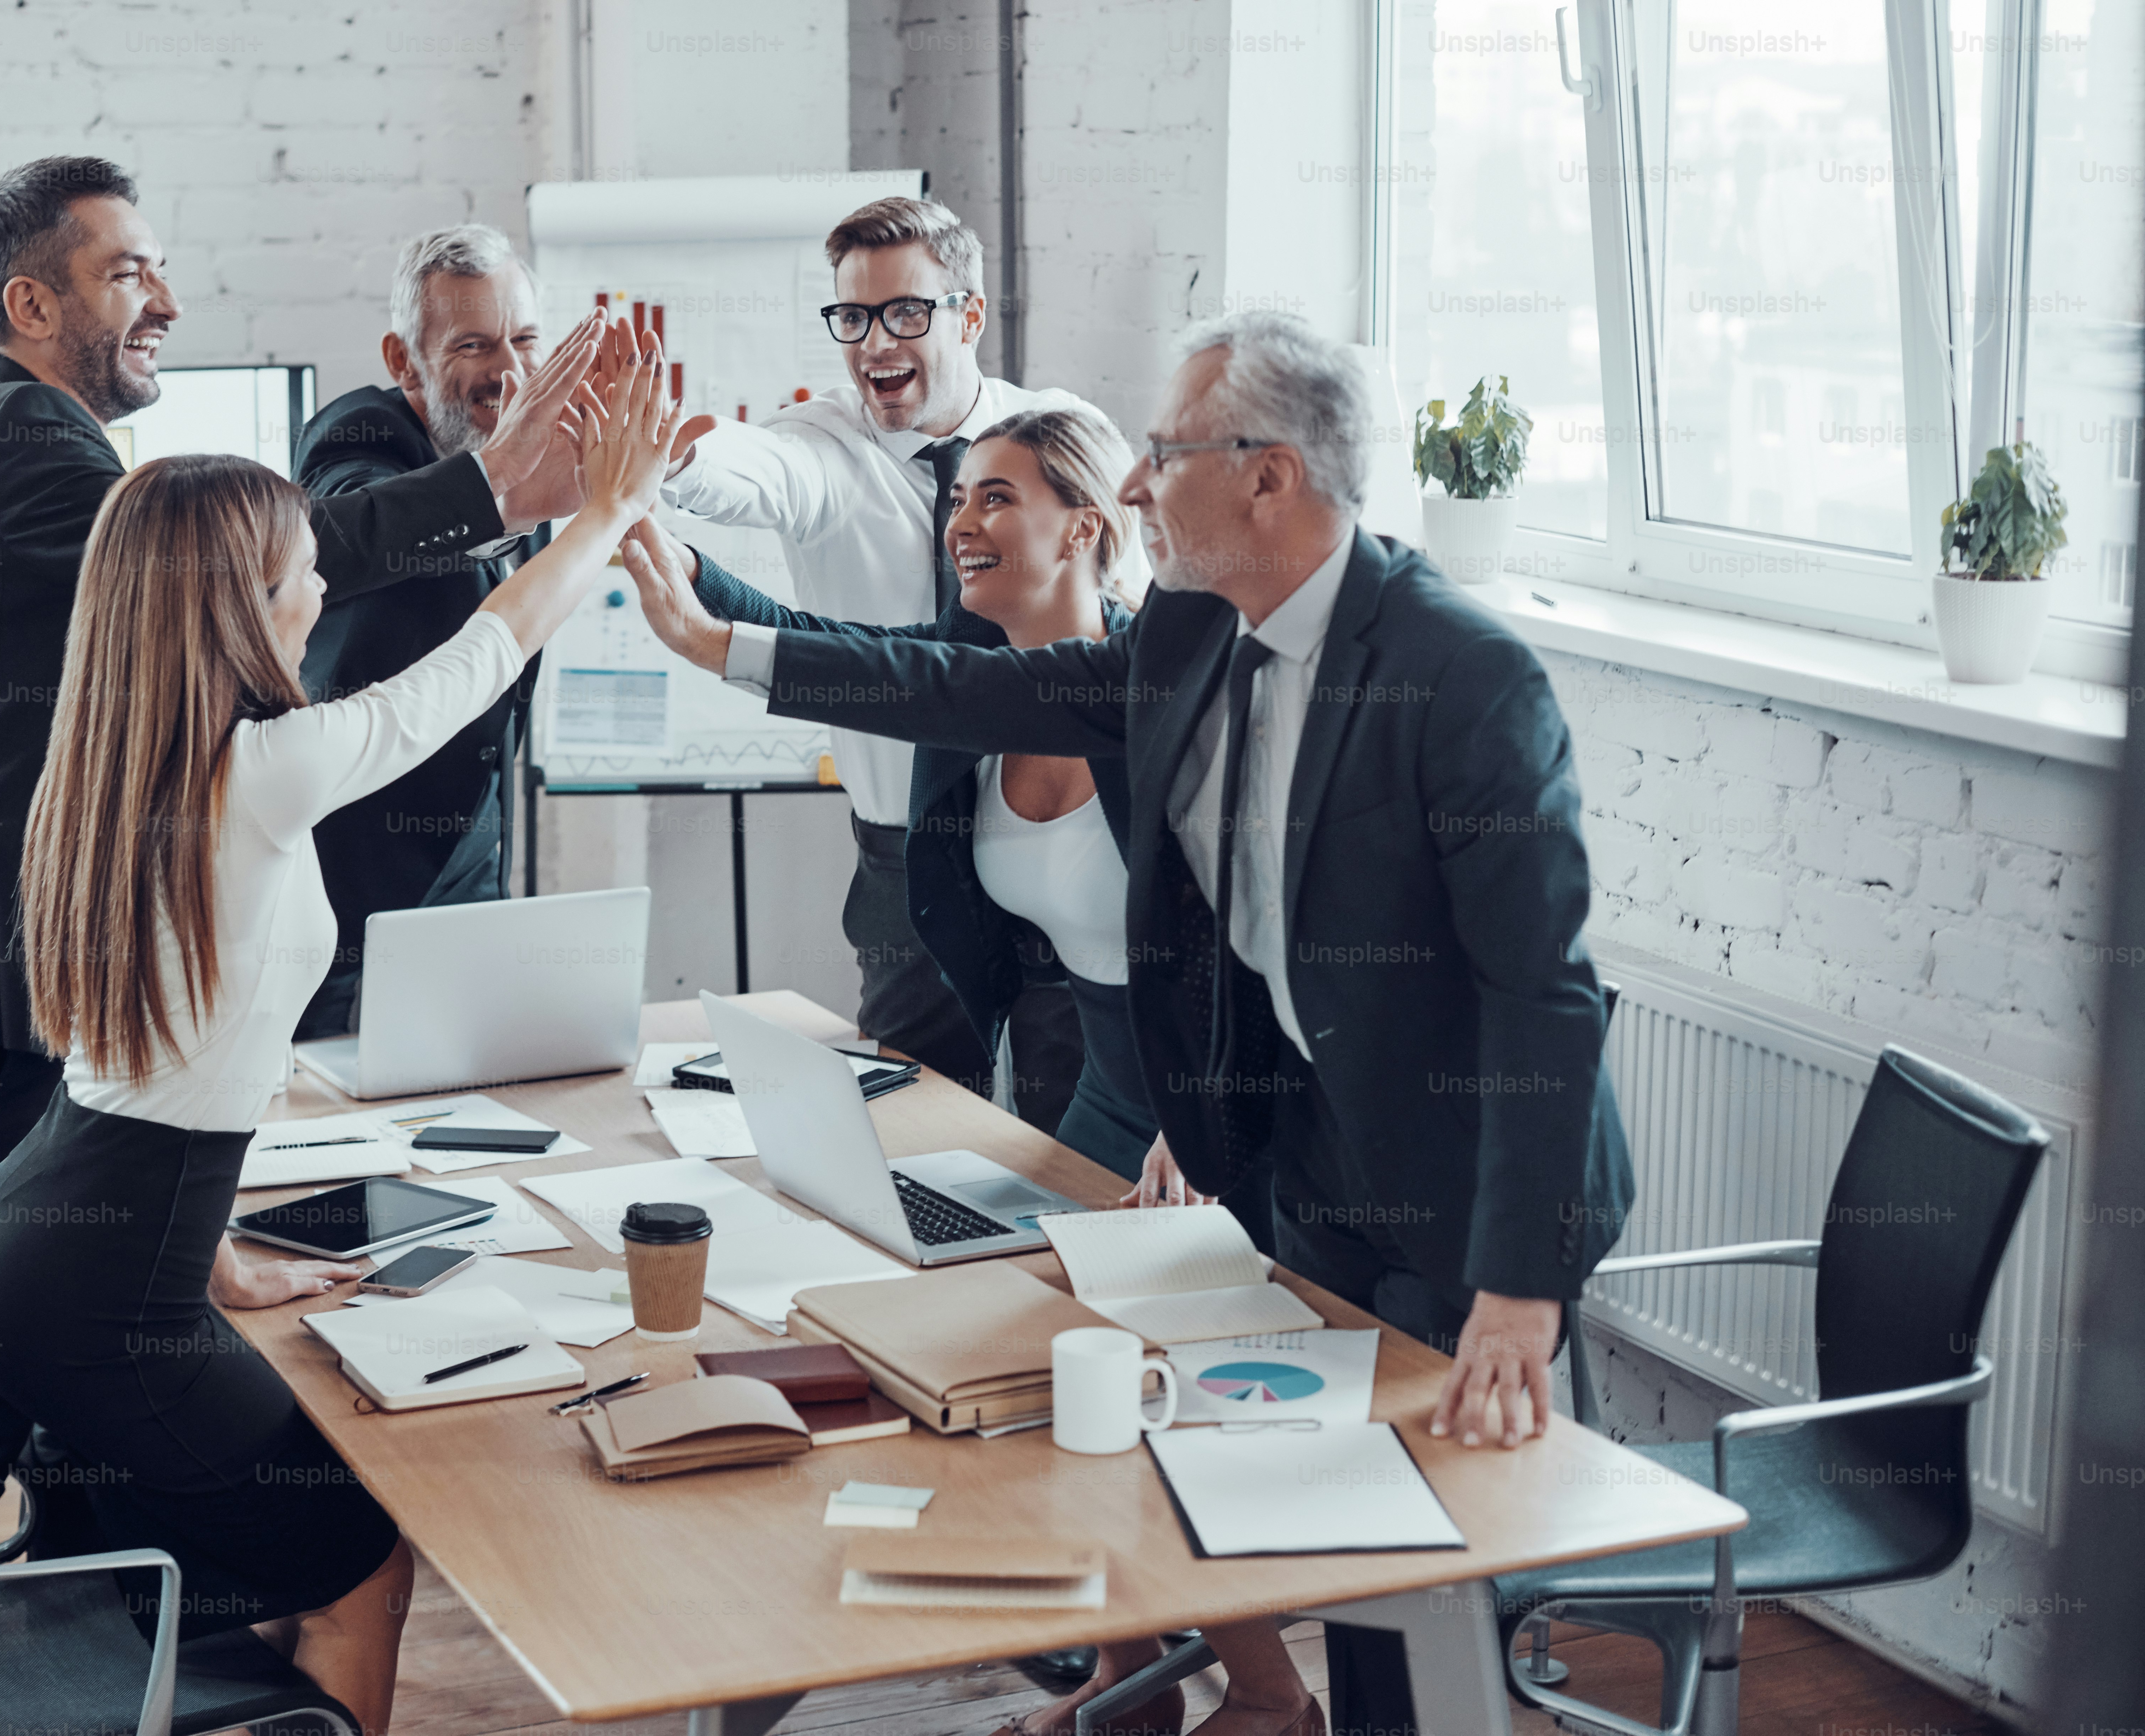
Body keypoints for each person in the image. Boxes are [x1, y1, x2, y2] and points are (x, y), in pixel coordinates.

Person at [626, 309, 1632, 1734]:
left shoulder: (1461, 675)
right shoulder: (1186, 629)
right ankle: (1248, 1695)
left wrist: (1518, 1284)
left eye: (1164, 453)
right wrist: (722, 642)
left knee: (1410, 1562)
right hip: (1311, 1156)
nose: (1141, 484)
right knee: (1271, 1482)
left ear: (1269, 476)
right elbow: (971, 686)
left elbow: (1545, 993)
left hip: (1473, 1182)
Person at [0, 154, 602, 1573]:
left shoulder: (19, 440)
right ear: (29, 302)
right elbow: (241, 564)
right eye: (128, 273)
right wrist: (494, 485)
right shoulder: (28, 448)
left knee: (37, 1399)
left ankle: (97, 1637)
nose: (165, 298)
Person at [0, 347, 680, 1733]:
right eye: (299, 570)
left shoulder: (114, 764)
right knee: (354, 1554)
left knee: (270, 1540)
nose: (323, 589)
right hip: (100, 1289)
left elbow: (145, 1070)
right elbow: (480, 659)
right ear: (237, 603)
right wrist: (599, 515)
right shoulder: (261, 776)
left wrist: (218, 1255)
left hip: (30, 1244)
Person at [656, 195, 1142, 1099]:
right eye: (851, 317)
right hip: (909, 847)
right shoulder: (821, 442)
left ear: (970, 314)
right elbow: (749, 470)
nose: (874, 343)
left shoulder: (1052, 438)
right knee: (910, 1118)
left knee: (1074, 1112)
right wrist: (671, 457)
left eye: (904, 313)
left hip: (1069, 835)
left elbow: (1131, 599)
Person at [626, 406, 1157, 1173]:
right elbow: (856, 657)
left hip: (1200, 1096)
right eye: (959, 499)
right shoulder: (971, 656)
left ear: (1083, 529)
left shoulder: (1150, 685)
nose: (961, 526)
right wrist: (687, 570)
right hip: (1107, 1088)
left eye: (996, 499)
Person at [288, 223, 560, 1040]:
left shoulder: (527, 446)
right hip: (352, 883)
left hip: (471, 852)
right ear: (404, 360)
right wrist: (507, 484)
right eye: (473, 345)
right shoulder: (357, 436)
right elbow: (344, 530)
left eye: (523, 339)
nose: (507, 371)